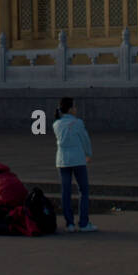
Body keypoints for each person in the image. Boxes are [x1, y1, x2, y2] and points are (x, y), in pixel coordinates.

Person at [53, 97, 96, 233]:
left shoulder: (57, 124)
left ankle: (69, 223)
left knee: (65, 192)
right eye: (75, 107)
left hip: (62, 160)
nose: (76, 109)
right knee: (83, 190)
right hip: (78, 159)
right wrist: (88, 154)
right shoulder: (77, 123)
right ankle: (83, 222)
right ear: (70, 109)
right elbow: (85, 139)